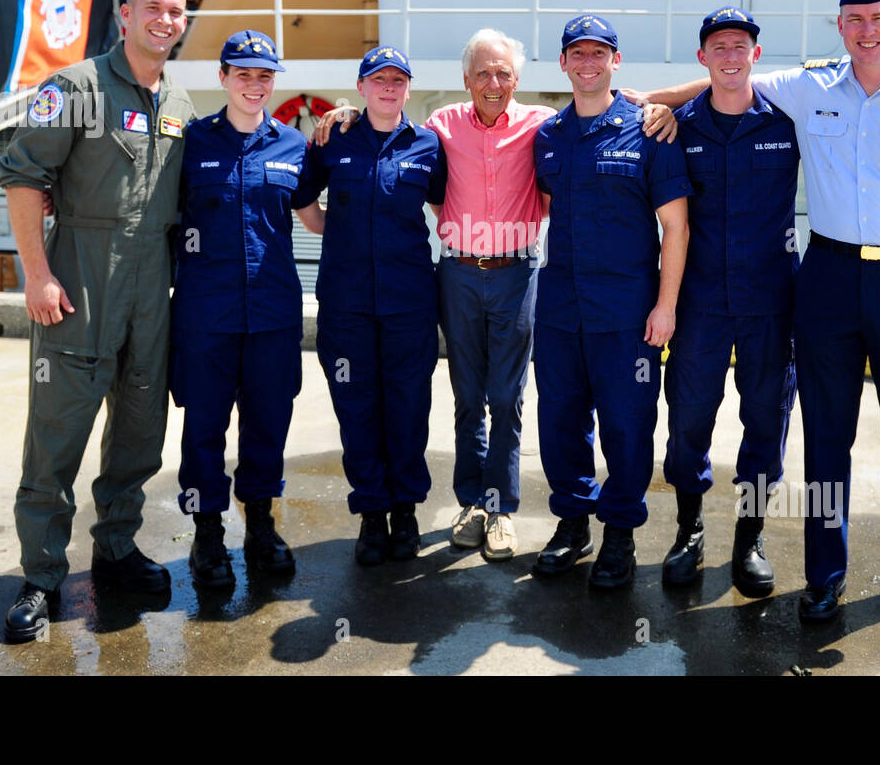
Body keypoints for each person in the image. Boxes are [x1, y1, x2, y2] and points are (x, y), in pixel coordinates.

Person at [636, 0, 880, 633]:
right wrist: (651, 103)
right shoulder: (812, 85)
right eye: (854, 19)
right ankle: (824, 579)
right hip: (825, 277)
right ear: (840, 26)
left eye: (877, 18)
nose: (865, 30)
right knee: (827, 438)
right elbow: (726, 83)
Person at [313, 30, 677, 562]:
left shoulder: (541, 128)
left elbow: (563, 178)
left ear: (518, 81)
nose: (493, 83)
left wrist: (658, 104)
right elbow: (409, 162)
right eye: (482, 73)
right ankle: (471, 504)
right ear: (465, 81)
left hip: (517, 273)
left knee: (507, 398)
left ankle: (501, 508)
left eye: (503, 73)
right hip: (457, 274)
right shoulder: (439, 128)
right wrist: (344, 112)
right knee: (467, 399)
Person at [0, 0, 196, 643]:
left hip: (150, 294)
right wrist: (36, 273)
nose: (164, 20)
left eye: (176, 11)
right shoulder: (74, 88)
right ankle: (41, 576)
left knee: (139, 435)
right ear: (126, 14)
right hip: (79, 284)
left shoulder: (180, 107)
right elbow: (23, 175)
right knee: (57, 439)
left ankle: (115, 548)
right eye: (153, 7)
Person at [531, 14, 691, 589]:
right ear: (564, 64)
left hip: (627, 312)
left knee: (627, 425)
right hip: (558, 311)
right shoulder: (547, 135)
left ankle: (619, 534)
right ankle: (572, 524)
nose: (589, 63)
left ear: (615, 62)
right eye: (579, 54)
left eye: (600, 53)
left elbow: (676, 226)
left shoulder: (650, 130)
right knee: (560, 422)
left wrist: (665, 306)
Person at [171, 30, 322, 588]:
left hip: (272, 316)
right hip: (205, 316)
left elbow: (317, 219)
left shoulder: (292, 146)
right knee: (203, 429)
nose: (254, 85)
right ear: (223, 78)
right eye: (243, 74)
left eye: (264, 76)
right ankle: (207, 534)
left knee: (267, 424)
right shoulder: (191, 144)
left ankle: (261, 524)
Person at [659, 7, 798, 594]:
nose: (731, 55)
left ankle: (750, 537)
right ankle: (688, 532)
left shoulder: (790, 119)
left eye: (740, 45)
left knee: (766, 418)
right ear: (703, 58)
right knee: (690, 417)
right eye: (719, 46)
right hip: (699, 301)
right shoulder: (676, 126)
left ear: (756, 56)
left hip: (771, 297)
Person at [292, 46, 447, 566]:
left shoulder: (428, 145)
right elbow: (305, 200)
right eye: (378, 80)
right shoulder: (335, 140)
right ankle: (372, 515)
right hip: (347, 304)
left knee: (407, 407)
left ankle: (405, 510)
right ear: (361, 88)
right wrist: (329, 229)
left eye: (397, 81)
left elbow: (445, 206)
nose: (388, 88)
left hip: (409, 304)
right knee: (357, 409)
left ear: (407, 88)